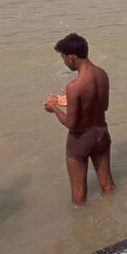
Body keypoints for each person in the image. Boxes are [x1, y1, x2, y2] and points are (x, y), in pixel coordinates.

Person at [44, 33, 114, 204]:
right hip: (101, 133)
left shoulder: (74, 86)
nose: (65, 63)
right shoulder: (102, 74)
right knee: (107, 185)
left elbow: (71, 123)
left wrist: (54, 108)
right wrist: (72, 102)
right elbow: (103, 106)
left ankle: (79, 226)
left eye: (64, 59)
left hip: (80, 139)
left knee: (79, 193)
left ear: (72, 57)